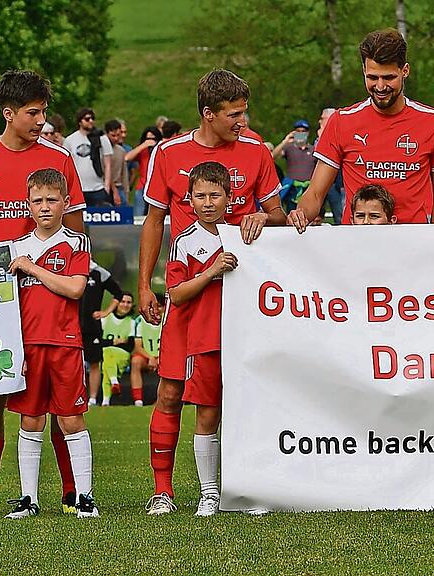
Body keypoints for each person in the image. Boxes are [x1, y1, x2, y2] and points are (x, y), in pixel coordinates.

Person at [138, 69, 284, 516]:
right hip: (187, 298)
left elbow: (278, 214)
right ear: (208, 114)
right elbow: (153, 221)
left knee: (232, 397)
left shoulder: (257, 149)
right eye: (234, 114)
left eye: (244, 111)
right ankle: (163, 491)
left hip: (240, 301)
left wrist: (262, 218)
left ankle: (231, 487)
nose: (244, 121)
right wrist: (145, 284)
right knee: (168, 393)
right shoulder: (168, 152)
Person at [0, 69, 87, 517]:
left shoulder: (59, 157)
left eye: (44, 112)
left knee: (56, 395)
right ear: (8, 113)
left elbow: (77, 228)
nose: (41, 121)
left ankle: (72, 492)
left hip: (48, 295)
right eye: (32, 113)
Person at [4, 168, 98, 520]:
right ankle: (29, 499)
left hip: (64, 342)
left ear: (65, 203)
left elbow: (75, 288)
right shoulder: (16, 248)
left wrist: (33, 269)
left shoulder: (76, 242)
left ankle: (84, 497)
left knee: (71, 419)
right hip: (29, 346)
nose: (44, 207)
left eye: (51, 200)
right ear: (27, 205)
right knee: (30, 420)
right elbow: (9, 304)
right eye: (37, 200)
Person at [291, 29, 434, 230]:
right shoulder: (341, 122)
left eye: (389, 77)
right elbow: (315, 194)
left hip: (413, 247)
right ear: (363, 71)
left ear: (405, 71)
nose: (381, 86)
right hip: (357, 245)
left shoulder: (429, 121)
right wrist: (299, 216)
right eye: (373, 77)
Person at [165, 161, 238, 517]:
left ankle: (244, 490)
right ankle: (209, 492)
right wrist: (211, 271)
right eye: (200, 195)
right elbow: (176, 294)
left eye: (215, 194)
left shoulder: (245, 233)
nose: (208, 202)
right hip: (206, 340)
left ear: (229, 197)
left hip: (246, 340)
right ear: (189, 200)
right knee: (208, 414)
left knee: (246, 415)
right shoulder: (185, 242)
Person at [78, 261, 123, 404]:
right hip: (72, 325)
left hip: (92, 326)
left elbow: (118, 293)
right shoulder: (71, 268)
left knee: (94, 362)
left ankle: (92, 398)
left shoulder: (99, 272)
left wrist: (106, 312)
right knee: (74, 363)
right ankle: (77, 397)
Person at [64, 107, 114, 207]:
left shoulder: (102, 138)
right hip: (78, 188)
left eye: (92, 118)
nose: (91, 121)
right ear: (80, 122)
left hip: (98, 188)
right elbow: (66, 166)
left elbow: (108, 164)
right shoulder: (70, 140)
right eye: (87, 119)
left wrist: (107, 186)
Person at [99, 291, 137, 406]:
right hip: (106, 353)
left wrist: (109, 343)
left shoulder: (132, 322)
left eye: (129, 302)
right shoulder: (105, 319)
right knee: (107, 359)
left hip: (121, 355)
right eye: (123, 301)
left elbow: (130, 346)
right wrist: (115, 341)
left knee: (107, 360)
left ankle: (106, 399)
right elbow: (98, 342)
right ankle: (112, 386)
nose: (125, 305)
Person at [271, 120, 316, 212]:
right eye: (298, 131)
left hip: (308, 188)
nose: (300, 134)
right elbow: (272, 156)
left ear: (307, 133)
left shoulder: (313, 149)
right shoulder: (289, 148)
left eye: (303, 131)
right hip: (292, 188)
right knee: (290, 213)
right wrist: (285, 141)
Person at [130, 293, 164, 406]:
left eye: (159, 306)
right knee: (135, 362)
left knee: (170, 365)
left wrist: (158, 358)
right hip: (146, 357)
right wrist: (150, 358)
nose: (156, 309)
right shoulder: (140, 320)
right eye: (153, 306)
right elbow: (138, 346)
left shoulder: (168, 320)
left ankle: (161, 400)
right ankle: (138, 401)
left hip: (164, 357)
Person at [125, 127, 162, 216]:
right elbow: (127, 157)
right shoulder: (142, 150)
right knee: (139, 213)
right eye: (148, 139)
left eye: (153, 139)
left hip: (157, 186)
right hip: (142, 185)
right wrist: (143, 145)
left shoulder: (160, 150)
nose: (150, 141)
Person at [105, 119, 130, 206]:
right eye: (113, 135)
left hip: (119, 187)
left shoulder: (121, 151)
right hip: (104, 187)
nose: (116, 138)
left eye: (118, 135)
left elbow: (124, 174)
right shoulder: (101, 150)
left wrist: (126, 192)